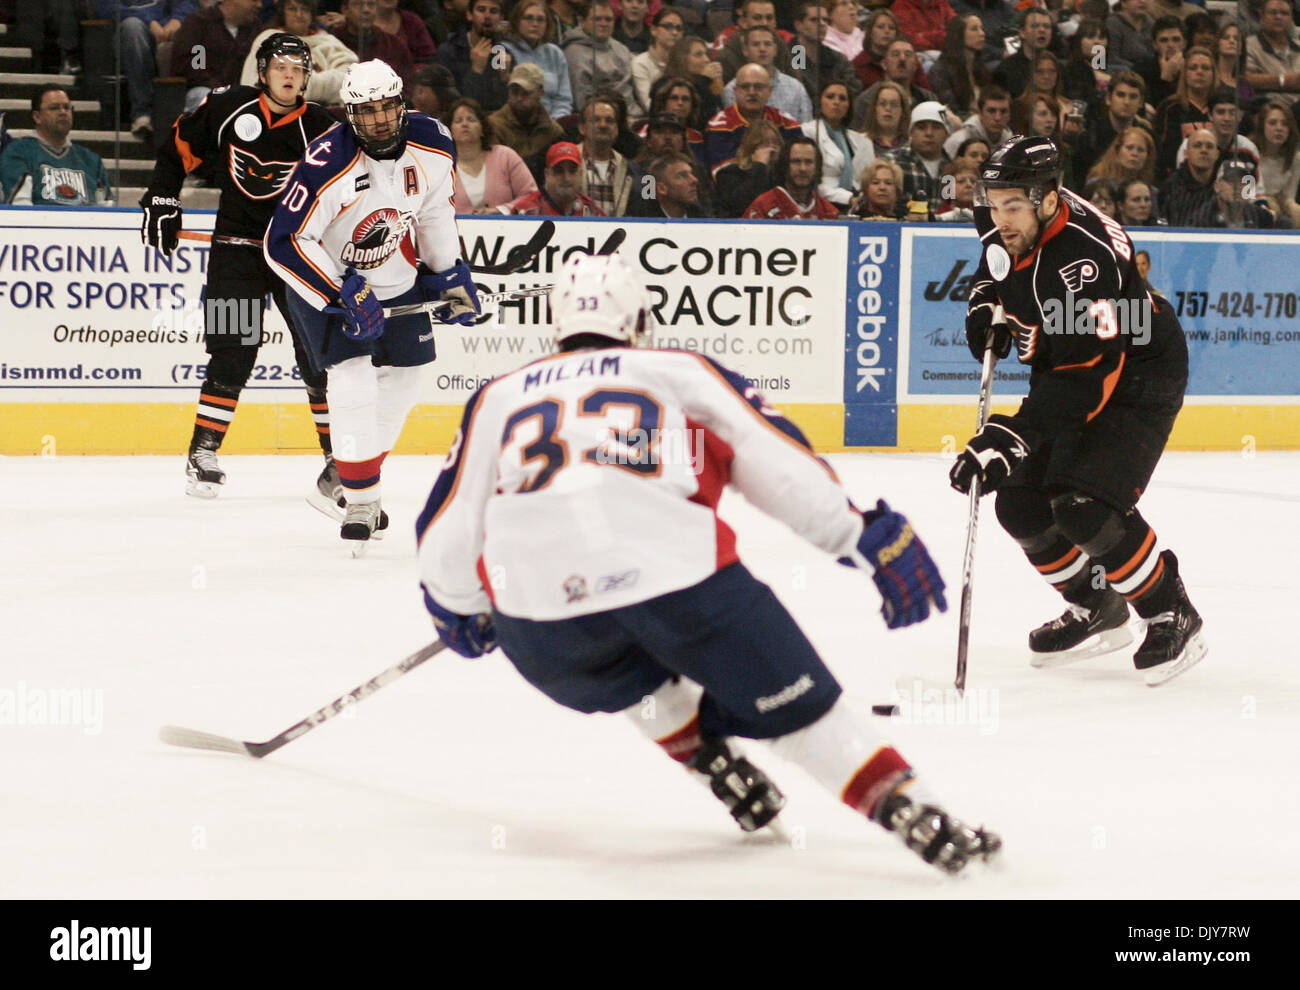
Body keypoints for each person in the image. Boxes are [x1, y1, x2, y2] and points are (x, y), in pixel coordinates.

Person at [416, 252, 999, 874]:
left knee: (630, 675)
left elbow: (447, 529)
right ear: (639, 321)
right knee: (798, 713)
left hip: (541, 625)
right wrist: (861, 535)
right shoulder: (677, 371)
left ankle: (704, 757)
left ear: (554, 329)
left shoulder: (498, 397)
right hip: (678, 584)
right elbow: (778, 465)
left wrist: (458, 608)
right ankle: (911, 807)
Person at [953, 135, 1206, 685]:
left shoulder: (1081, 264)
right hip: (1072, 358)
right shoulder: (1010, 216)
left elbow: (1087, 378)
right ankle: (1097, 607)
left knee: (1083, 505)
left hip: (1137, 369)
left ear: (1048, 198)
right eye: (994, 205)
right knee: (1019, 502)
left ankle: (1170, 609)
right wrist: (985, 309)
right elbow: (993, 269)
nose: (1000, 218)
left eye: (1012, 206)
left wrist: (1012, 434)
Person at [264, 59, 482, 545]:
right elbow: (283, 242)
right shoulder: (326, 162)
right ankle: (361, 498)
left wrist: (447, 275)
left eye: (388, 107)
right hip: (322, 281)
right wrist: (338, 289)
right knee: (354, 376)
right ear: (349, 114)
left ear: (401, 103)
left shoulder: (434, 143)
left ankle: (342, 478)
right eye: (367, 111)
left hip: (395, 274)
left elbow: (433, 216)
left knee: (405, 378)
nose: (380, 119)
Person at [141, 33, 339, 500]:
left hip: (299, 256)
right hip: (236, 250)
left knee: (320, 355)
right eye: (281, 67)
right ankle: (203, 451)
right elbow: (177, 147)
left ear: (306, 77)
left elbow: (351, 190)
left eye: (298, 68)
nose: (290, 75)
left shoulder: (325, 128)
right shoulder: (229, 107)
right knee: (233, 347)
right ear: (263, 71)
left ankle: (339, 458)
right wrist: (163, 196)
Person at [1, 85, 112, 205]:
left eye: (67, 107)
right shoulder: (19, 152)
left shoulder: (91, 160)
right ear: (37, 117)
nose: (63, 112)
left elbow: (107, 208)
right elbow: (20, 206)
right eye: (54, 108)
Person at [239, 0, 359, 105]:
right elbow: (252, 83)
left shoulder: (328, 41)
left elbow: (350, 78)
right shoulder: (268, 40)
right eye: (292, 9)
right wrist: (318, 83)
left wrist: (308, 84)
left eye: (305, 9)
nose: (299, 15)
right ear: (283, 13)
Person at [172, 0, 265, 113]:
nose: (259, 5)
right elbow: (192, 67)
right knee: (206, 97)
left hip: (241, 94)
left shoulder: (255, 29)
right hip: (203, 89)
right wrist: (222, 91)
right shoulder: (200, 23)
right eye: (254, 0)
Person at [449, 97, 538, 212]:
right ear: (450, 131)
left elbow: (532, 196)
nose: (465, 124)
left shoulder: (505, 156)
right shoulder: (444, 166)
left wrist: (502, 210)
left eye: (471, 120)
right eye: (458, 121)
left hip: (506, 229)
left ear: (482, 128)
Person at [801, 79, 873, 211]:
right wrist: (847, 198)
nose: (836, 102)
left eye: (842, 98)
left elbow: (868, 179)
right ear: (820, 102)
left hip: (857, 205)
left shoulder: (862, 140)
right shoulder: (808, 132)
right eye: (830, 97)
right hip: (821, 204)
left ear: (849, 105)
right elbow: (811, 182)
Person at [502, 0, 575, 118]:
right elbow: (496, 94)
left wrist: (557, 122)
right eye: (528, 18)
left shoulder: (555, 53)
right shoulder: (501, 50)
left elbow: (564, 99)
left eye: (540, 19)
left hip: (553, 123)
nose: (535, 24)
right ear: (517, 21)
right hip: (516, 121)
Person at [434, 0, 511, 112]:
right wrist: (476, 70)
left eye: (493, 11)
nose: (487, 16)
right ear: (469, 15)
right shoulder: (449, 51)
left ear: (501, 19)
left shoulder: (503, 54)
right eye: (481, 10)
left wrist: (504, 79)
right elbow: (452, 102)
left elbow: (502, 105)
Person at [742, 134, 840, 218]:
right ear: (785, 165)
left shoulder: (829, 212)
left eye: (809, 162)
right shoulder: (763, 206)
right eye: (796, 162)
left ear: (817, 167)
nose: (803, 168)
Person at [564, 0, 636, 113]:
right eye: (597, 19)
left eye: (608, 19)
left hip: (632, 112)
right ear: (582, 21)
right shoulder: (573, 53)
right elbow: (582, 100)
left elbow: (629, 88)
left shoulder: (621, 49)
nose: (603, 23)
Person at [487, 63, 565, 161]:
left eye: (526, 93)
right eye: (515, 92)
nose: (519, 98)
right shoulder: (493, 126)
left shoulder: (554, 131)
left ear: (540, 93)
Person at [506, 141, 606, 215]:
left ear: (580, 174)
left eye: (572, 171)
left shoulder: (592, 211)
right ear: (547, 174)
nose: (567, 178)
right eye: (558, 171)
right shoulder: (525, 210)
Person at [712, 119, 782, 216]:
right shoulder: (729, 173)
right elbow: (742, 205)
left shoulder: (782, 175)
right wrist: (760, 166)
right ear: (751, 147)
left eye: (775, 142)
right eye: (764, 143)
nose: (771, 147)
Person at [925, 13, 987, 118]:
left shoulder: (981, 68)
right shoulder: (940, 70)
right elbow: (950, 109)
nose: (982, 33)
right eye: (974, 29)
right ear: (959, 34)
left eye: (982, 28)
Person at [1254, 98, 1300, 226]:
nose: (1279, 128)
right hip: (1254, 207)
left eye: (1285, 124)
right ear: (1262, 125)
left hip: (1280, 208)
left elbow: (1289, 198)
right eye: (1272, 123)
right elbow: (1246, 194)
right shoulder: (1249, 153)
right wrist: (1268, 202)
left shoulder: (1296, 159)